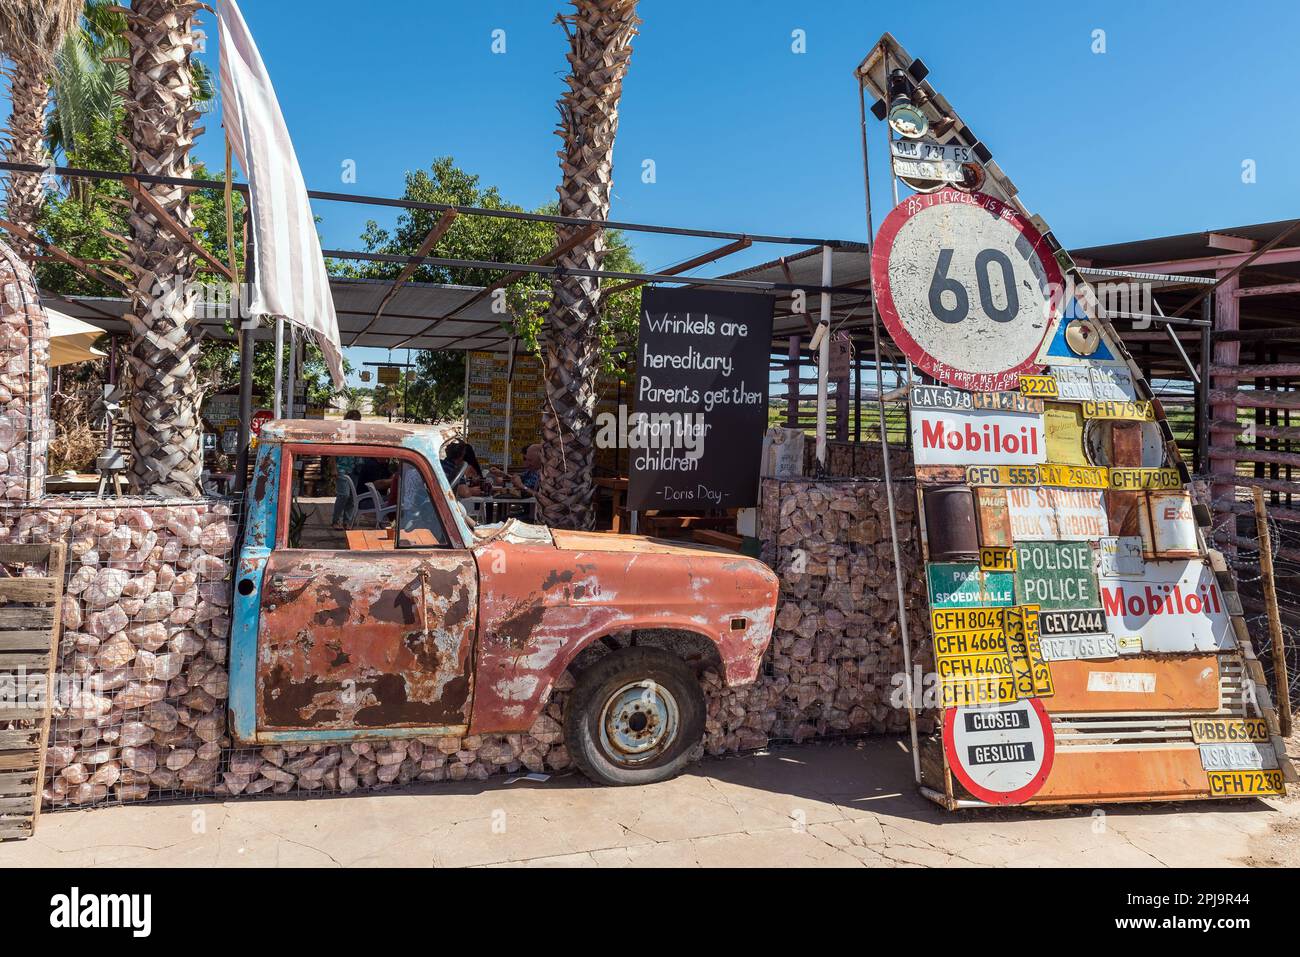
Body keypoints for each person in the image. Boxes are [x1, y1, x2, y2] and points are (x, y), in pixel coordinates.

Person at [330, 410, 364, 529]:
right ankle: (336, 520)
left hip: (355, 467)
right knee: (343, 495)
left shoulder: (358, 432)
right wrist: (333, 468)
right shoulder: (340, 432)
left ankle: (347, 521)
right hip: (342, 467)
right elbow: (332, 452)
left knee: (352, 497)